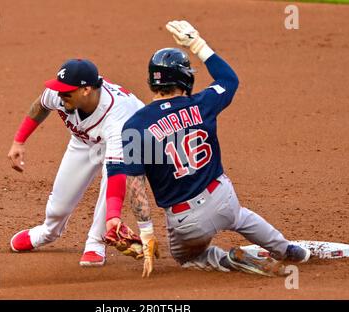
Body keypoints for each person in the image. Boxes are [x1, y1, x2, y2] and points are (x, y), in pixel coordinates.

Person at [121, 20, 311, 277]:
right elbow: (228, 79)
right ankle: (287, 249)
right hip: (222, 198)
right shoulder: (203, 103)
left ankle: (225, 260)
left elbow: (135, 185)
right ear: (184, 78)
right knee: (241, 217)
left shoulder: (134, 125)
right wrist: (198, 44)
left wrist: (146, 232)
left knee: (185, 257)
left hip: (186, 222)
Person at [8, 58, 144, 267]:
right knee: (58, 207)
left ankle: (96, 242)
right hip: (84, 142)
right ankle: (47, 232)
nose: (60, 97)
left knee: (110, 181)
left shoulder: (118, 117)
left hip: (130, 140)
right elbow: (41, 105)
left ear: (86, 90)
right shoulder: (62, 93)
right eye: (59, 91)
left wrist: (113, 216)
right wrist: (19, 141)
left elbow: (117, 172)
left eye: (66, 93)